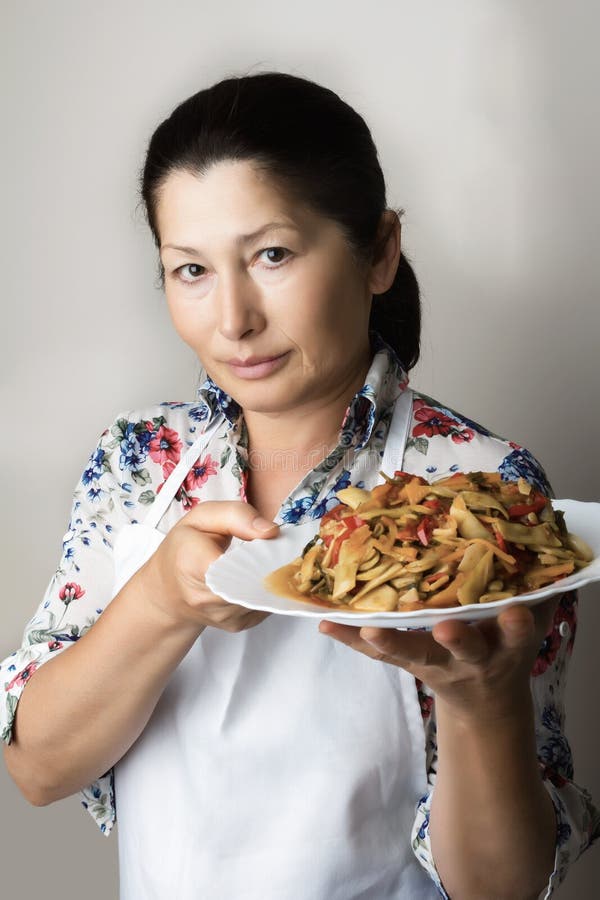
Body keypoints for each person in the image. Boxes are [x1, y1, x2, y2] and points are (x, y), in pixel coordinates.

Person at [1, 70, 598, 900]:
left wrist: (484, 703)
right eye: (191, 270)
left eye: (272, 255)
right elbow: (37, 768)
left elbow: (501, 888)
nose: (232, 319)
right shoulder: (137, 461)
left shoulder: (486, 496)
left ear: (379, 251)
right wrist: (160, 604)